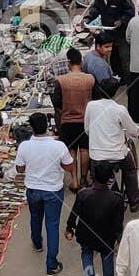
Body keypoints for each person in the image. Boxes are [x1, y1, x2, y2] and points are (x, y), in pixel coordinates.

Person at [14, 111, 74, 275]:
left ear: (31, 128)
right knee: (52, 225)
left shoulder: (24, 146)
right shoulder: (58, 146)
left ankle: (37, 243)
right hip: (53, 191)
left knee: (35, 217)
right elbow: (69, 167)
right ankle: (51, 264)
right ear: (47, 126)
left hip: (33, 190)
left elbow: (19, 169)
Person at [65, 163, 126, 276]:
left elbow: (74, 213)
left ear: (93, 177)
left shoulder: (83, 194)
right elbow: (118, 222)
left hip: (86, 234)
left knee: (86, 254)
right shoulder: (116, 198)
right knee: (107, 259)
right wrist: (119, 238)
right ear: (110, 178)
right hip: (107, 236)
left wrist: (70, 228)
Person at [84, 79, 139, 211]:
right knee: (130, 170)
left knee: (96, 178)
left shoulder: (91, 106)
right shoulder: (119, 109)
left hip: (96, 155)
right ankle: (135, 202)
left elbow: (87, 130)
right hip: (117, 155)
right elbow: (132, 130)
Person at [49, 48, 94, 188]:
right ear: (81, 61)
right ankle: (83, 178)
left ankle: (74, 181)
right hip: (85, 120)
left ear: (68, 62)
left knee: (71, 150)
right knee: (84, 149)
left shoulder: (61, 81)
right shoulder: (90, 79)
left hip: (67, 121)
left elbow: (56, 102)